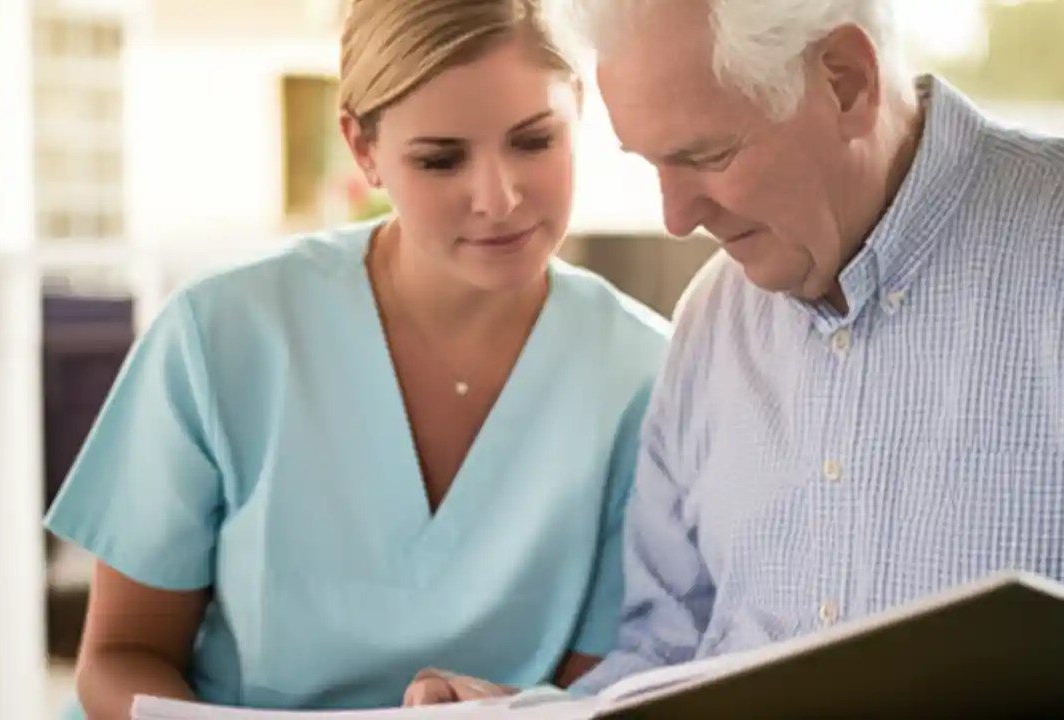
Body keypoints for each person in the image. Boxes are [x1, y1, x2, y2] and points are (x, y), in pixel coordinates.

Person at [404, 0, 1064, 714]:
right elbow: (664, 660)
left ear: (845, 82)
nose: (676, 215)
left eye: (706, 155)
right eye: (653, 164)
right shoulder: (710, 322)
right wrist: (521, 715)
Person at [42, 0, 670, 716]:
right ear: (363, 149)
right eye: (440, 159)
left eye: (534, 142)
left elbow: (603, 686)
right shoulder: (221, 334)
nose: (498, 198)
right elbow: (121, 656)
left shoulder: (643, 375)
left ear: (579, 110)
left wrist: (504, 703)